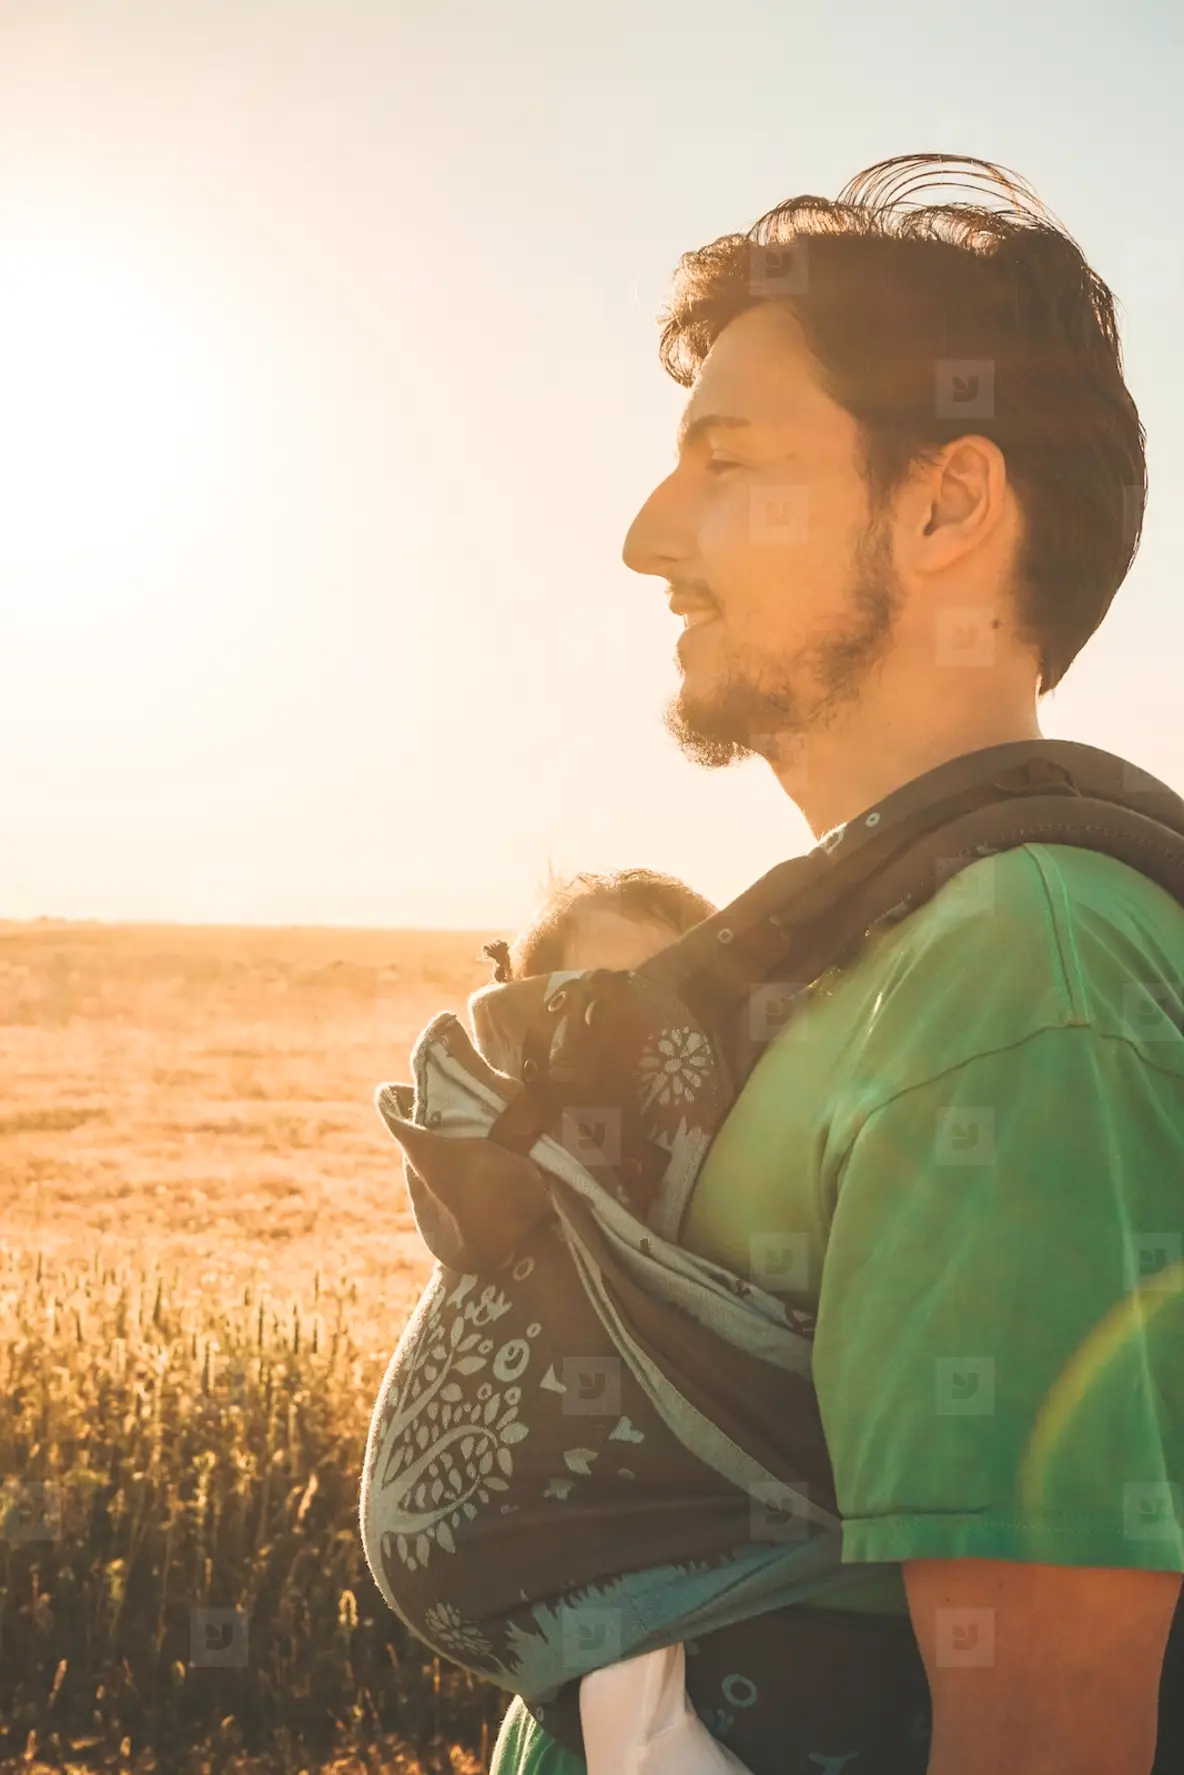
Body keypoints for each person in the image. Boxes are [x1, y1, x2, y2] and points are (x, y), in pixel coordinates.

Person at [491, 152, 1184, 1775]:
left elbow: (1044, 1738)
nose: (648, 537)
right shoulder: (884, 952)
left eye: (725, 459)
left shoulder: (1018, 972)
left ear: (945, 504)